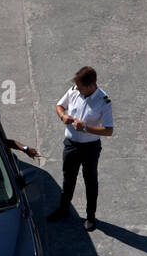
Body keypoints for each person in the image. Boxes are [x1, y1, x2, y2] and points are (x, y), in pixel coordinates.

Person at [46, 66, 114, 231]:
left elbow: (108, 130)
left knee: (90, 181)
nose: (78, 89)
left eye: (81, 87)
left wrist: (85, 127)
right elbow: (59, 106)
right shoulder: (74, 90)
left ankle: (91, 217)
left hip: (90, 148)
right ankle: (64, 210)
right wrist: (63, 116)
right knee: (68, 178)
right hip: (71, 145)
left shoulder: (104, 101)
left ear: (91, 86)